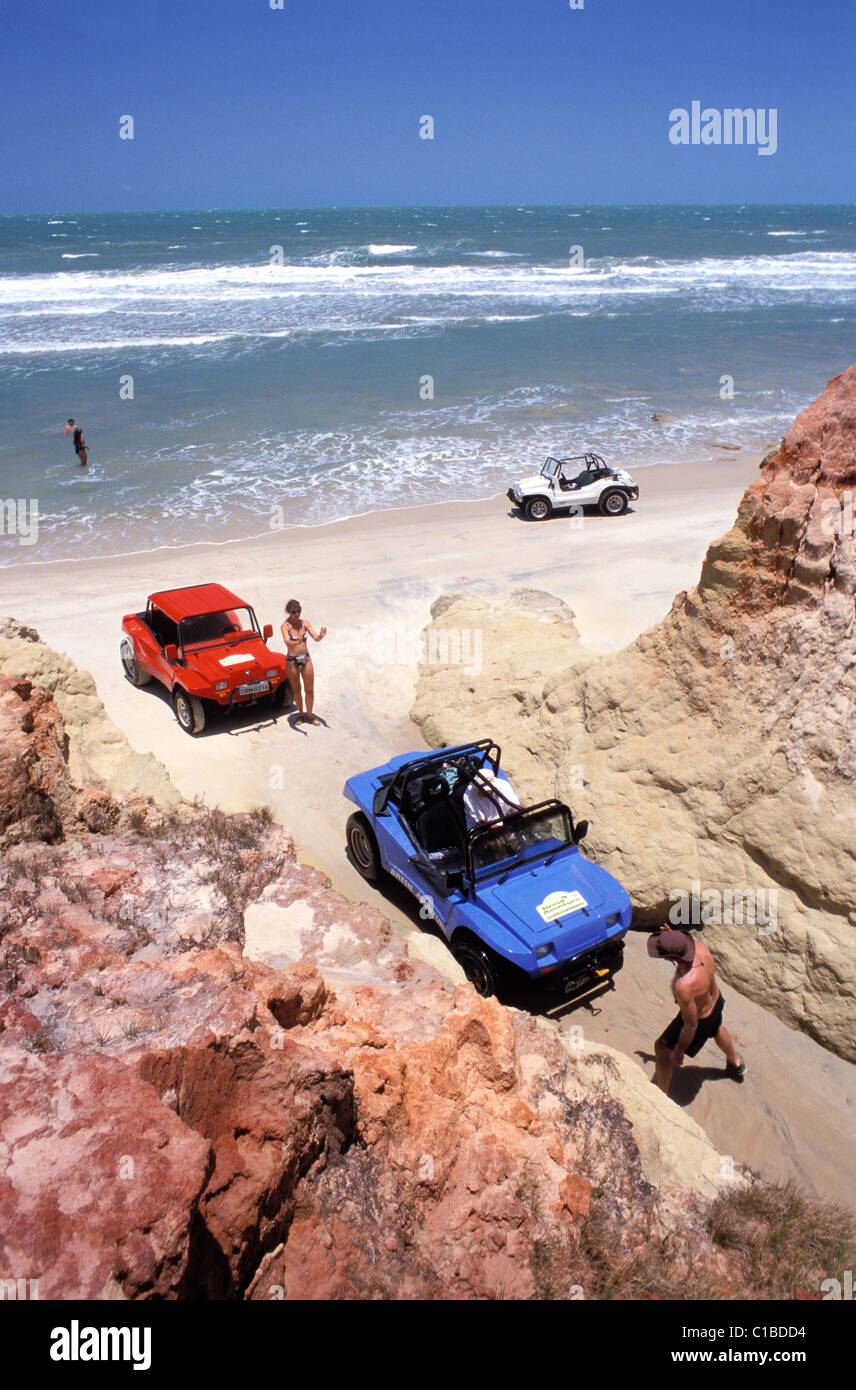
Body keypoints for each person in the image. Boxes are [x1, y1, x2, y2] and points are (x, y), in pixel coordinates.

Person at [648, 927, 745, 1094]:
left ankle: (660, 1096)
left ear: (671, 958)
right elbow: (684, 950)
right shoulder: (699, 946)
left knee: (662, 1049)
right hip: (715, 1002)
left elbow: (691, 1025)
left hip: (699, 1020)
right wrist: (672, 937)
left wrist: (679, 1050)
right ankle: (735, 1062)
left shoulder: (684, 986)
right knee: (716, 1028)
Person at [280, 599, 326, 724]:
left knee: (309, 690)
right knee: (296, 690)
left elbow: (315, 638)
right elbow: (286, 641)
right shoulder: (285, 626)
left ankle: (310, 716)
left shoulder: (305, 623)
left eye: (298, 611)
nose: (297, 614)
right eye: (294, 612)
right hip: (292, 661)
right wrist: (296, 642)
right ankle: (300, 715)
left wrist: (321, 636)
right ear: (289, 612)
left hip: (305, 658)